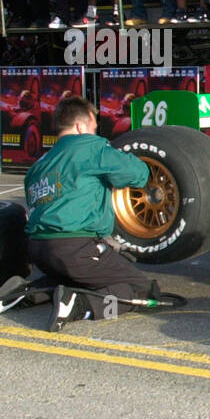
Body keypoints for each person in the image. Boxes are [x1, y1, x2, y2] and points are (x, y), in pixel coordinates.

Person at [24, 96, 164, 333]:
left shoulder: (40, 163)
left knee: (77, 276)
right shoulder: (90, 146)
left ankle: (27, 293)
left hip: (39, 251)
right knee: (141, 288)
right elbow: (137, 173)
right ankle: (79, 305)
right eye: (93, 126)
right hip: (75, 249)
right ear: (80, 126)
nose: (95, 131)